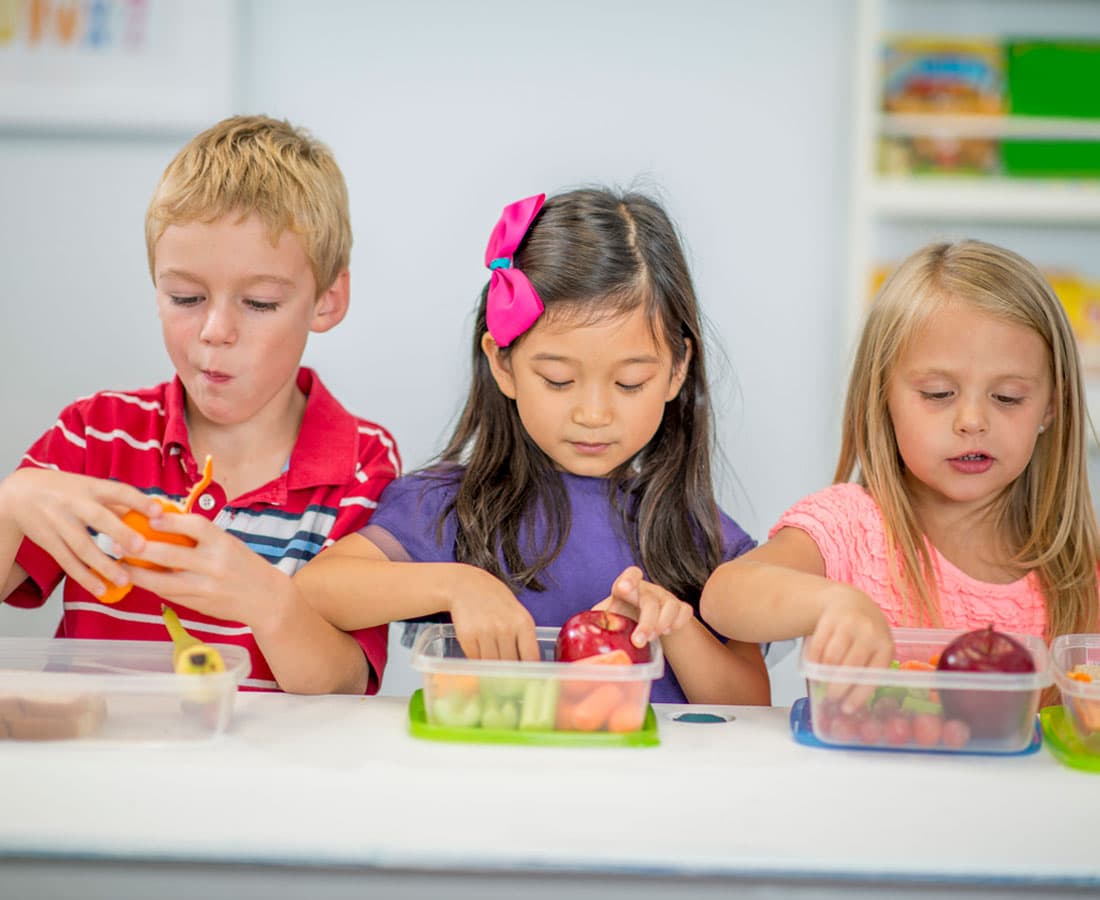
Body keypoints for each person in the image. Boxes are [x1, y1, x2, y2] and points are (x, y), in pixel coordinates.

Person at [295, 188, 769, 705]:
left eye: (629, 383)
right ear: (503, 364)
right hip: (495, 783)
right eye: (558, 380)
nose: (593, 413)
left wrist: (676, 627)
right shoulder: (452, 506)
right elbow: (318, 589)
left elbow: (749, 705)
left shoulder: (701, 536)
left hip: (646, 785)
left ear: (677, 369)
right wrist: (457, 585)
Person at [0, 115, 401, 694]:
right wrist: (13, 503)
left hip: (266, 777)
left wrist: (262, 596)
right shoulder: (96, 435)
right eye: (185, 297)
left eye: (259, 303)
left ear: (326, 300)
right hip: (97, 771)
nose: (215, 331)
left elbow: (343, 685)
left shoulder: (362, 463)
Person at [700, 239, 1100, 704]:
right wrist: (836, 604)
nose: (972, 420)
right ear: (882, 397)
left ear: (1052, 405)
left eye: (1008, 397)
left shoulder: (1075, 574)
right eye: (937, 394)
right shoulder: (850, 527)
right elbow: (725, 595)